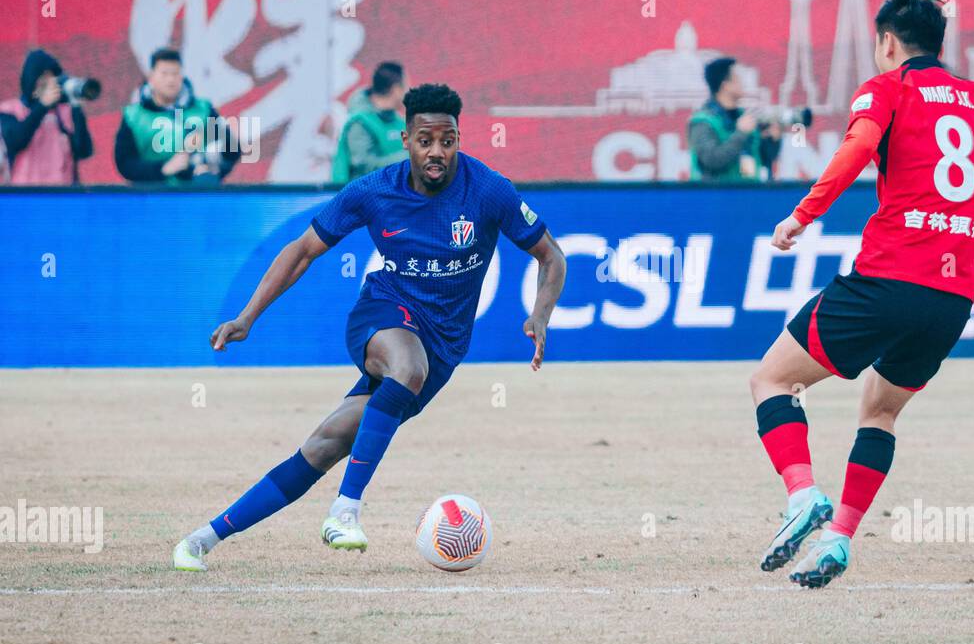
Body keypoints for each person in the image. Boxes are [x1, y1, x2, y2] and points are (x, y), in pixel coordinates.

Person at [749, 0, 974, 589]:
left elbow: (855, 151)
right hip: (952, 298)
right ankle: (839, 541)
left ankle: (801, 497)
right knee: (879, 413)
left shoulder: (887, 89)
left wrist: (801, 216)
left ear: (887, 43)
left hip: (886, 278)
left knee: (772, 379)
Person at [172, 83, 567, 571]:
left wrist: (540, 315)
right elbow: (301, 251)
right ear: (406, 139)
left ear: (459, 138)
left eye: (448, 140)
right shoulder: (374, 191)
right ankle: (345, 510)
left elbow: (551, 256)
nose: (437, 151)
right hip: (383, 314)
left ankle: (201, 540)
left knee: (326, 444)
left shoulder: (489, 191)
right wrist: (247, 316)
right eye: (426, 140)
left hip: (443, 350)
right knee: (406, 365)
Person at [114, 47, 240, 185]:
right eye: (164, 74)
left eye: (175, 73)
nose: (171, 79)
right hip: (151, 199)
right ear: (151, 77)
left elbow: (230, 152)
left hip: (199, 196)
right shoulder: (134, 116)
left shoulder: (203, 109)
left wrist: (213, 166)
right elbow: (125, 164)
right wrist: (163, 169)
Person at [0, 49, 94, 185]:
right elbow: (15, 141)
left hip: (62, 195)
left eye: (53, 78)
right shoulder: (11, 110)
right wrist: (42, 106)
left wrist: (76, 107)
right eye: (43, 77)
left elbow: (84, 151)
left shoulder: (64, 112)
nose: (50, 83)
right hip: (23, 195)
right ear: (31, 79)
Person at [687, 56, 781, 181]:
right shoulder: (703, 122)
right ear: (726, 85)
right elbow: (712, 160)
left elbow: (761, 159)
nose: (743, 83)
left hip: (747, 194)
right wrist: (741, 133)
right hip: (714, 196)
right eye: (738, 79)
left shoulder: (744, 117)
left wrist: (773, 141)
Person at [332, 61, 407, 183]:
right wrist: (411, 159)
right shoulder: (359, 123)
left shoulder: (400, 122)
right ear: (396, 89)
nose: (407, 92)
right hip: (363, 199)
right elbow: (364, 168)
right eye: (405, 87)